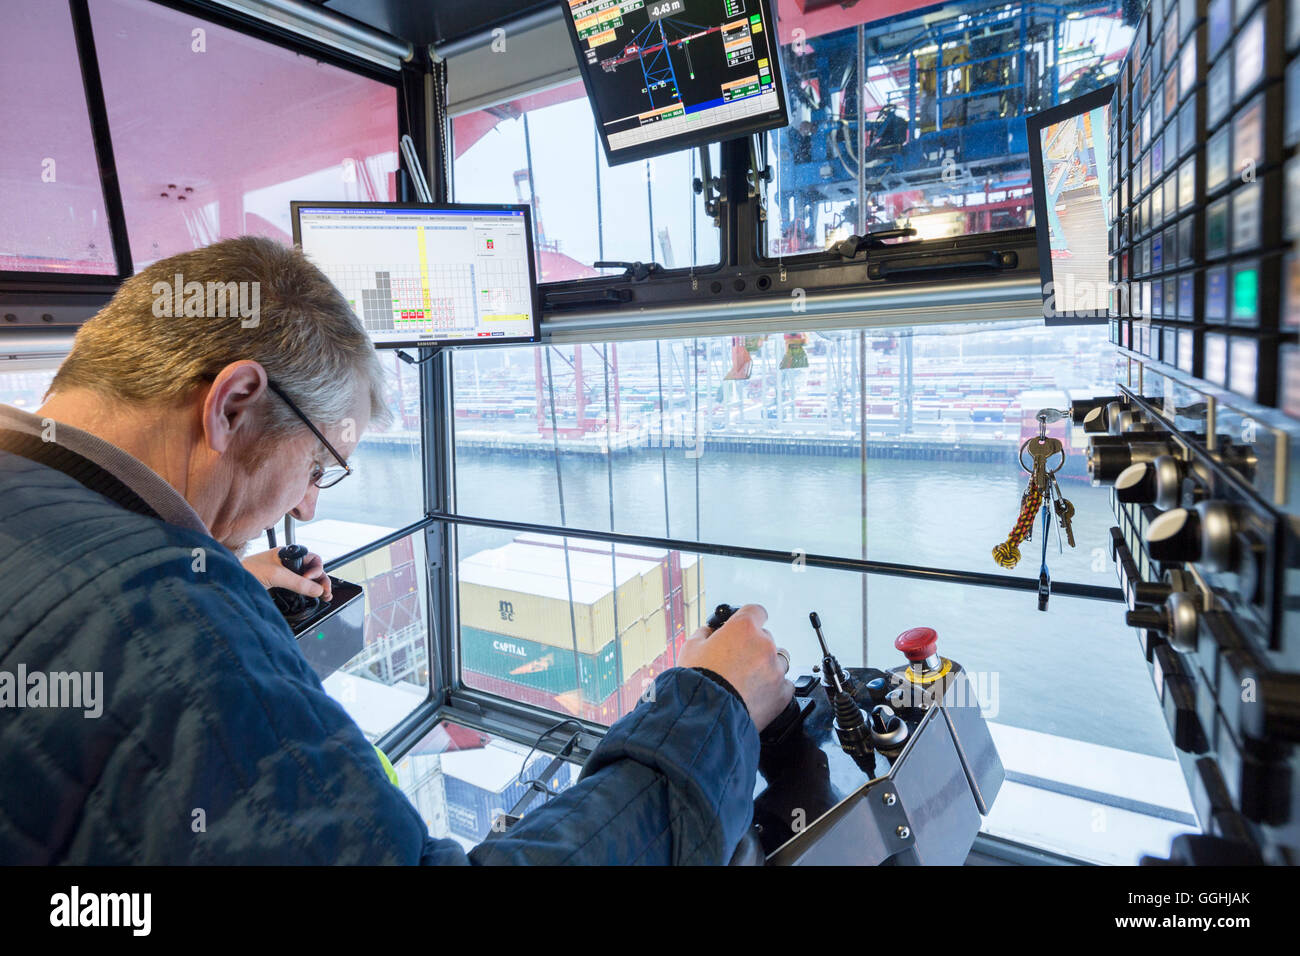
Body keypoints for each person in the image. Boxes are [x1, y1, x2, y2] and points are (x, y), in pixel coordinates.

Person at [0, 236, 793, 865]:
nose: (307, 504)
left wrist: (225, 583)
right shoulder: (178, 627)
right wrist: (710, 708)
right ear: (234, 403)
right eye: (318, 467)